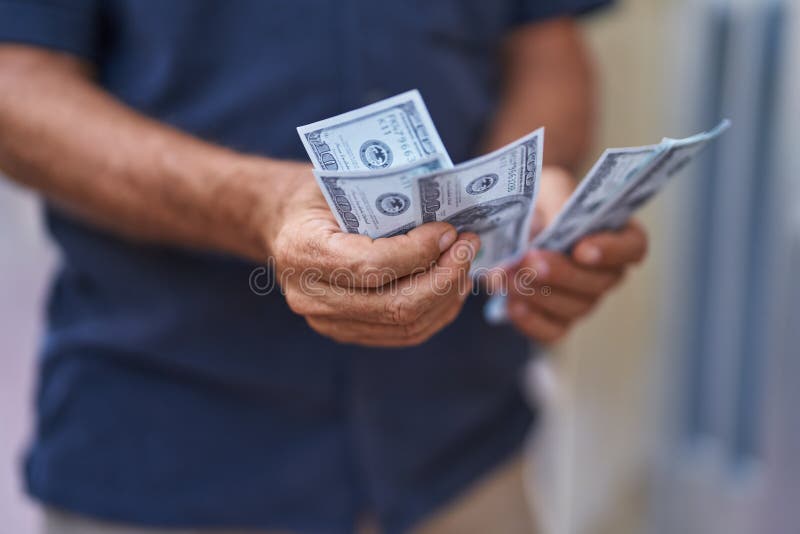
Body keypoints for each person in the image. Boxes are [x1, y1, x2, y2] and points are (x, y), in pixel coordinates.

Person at [0, 1, 648, 533]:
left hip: (466, 456)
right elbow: (16, 83)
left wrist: (521, 209)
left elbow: (548, 49)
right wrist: (261, 208)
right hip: (163, 453)